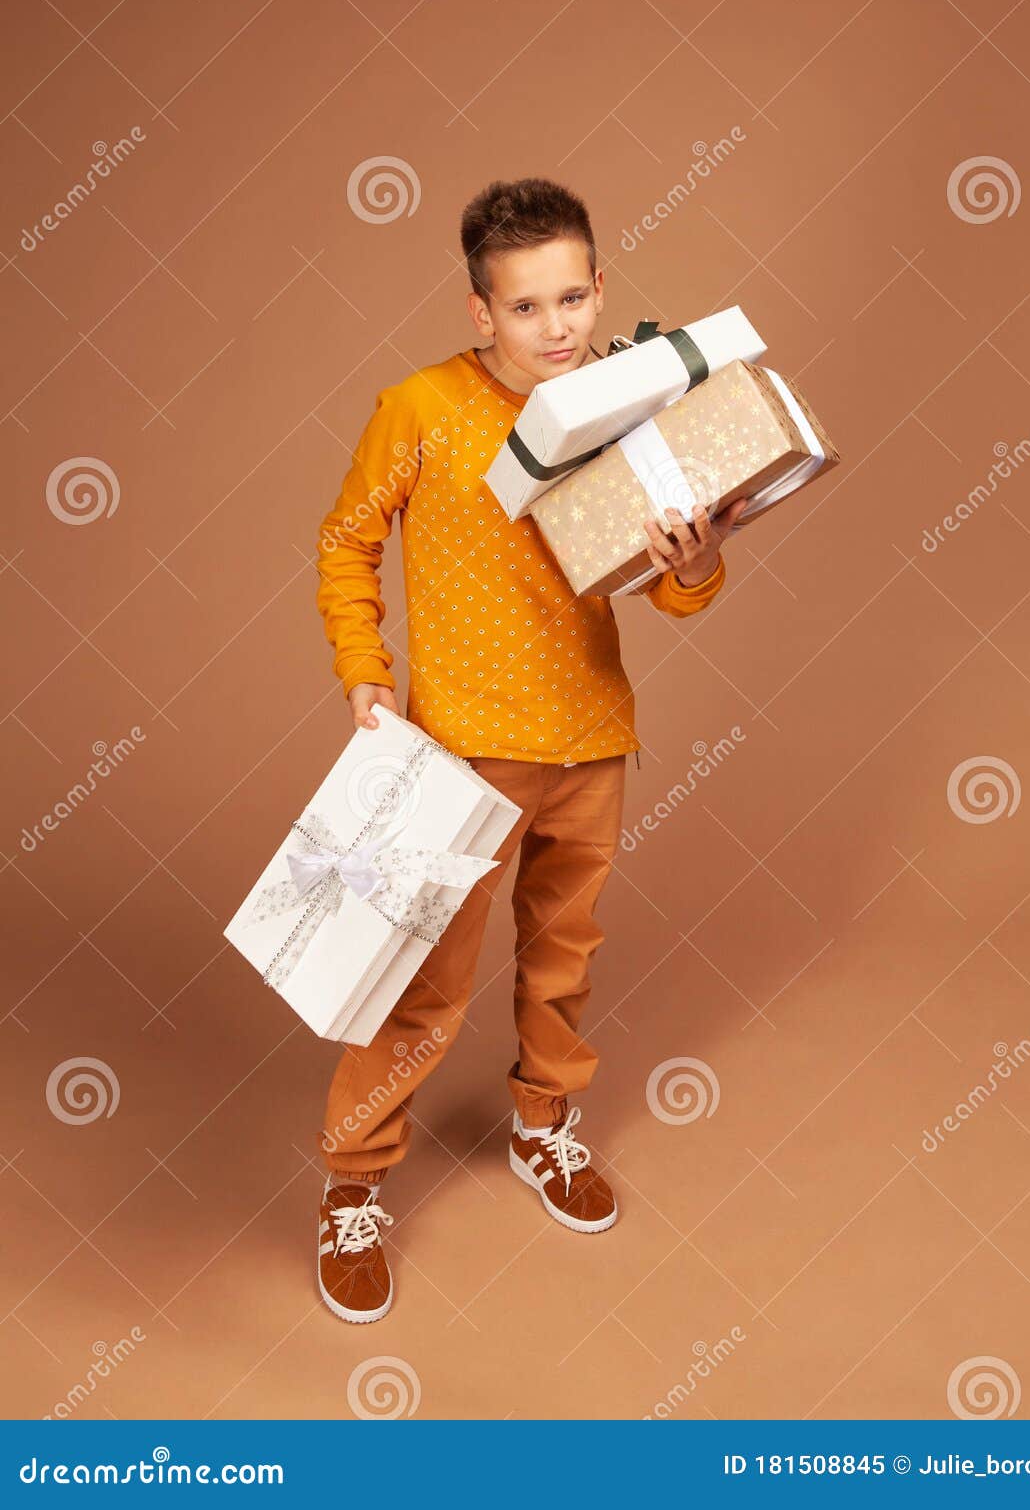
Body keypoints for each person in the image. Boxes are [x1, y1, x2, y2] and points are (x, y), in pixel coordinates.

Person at [313, 176, 747, 1323]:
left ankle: (542, 1124)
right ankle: (352, 1184)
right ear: (479, 311)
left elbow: (667, 589)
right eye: (523, 306)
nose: (554, 326)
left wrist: (697, 562)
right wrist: (364, 670)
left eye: (570, 298)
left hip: (590, 741)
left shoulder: (624, 410)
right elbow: (346, 541)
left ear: (599, 289)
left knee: (561, 960)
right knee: (419, 985)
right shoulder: (420, 407)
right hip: (459, 751)